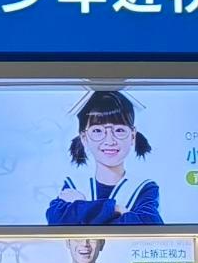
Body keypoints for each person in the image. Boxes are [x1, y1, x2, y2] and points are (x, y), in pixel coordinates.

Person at [45, 88, 161, 225]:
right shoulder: (75, 185)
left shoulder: (144, 188)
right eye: (97, 131)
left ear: (133, 135)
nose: (110, 141)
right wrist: (118, 210)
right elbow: (56, 221)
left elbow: (149, 227)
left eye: (119, 130)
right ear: (84, 138)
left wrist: (81, 205)